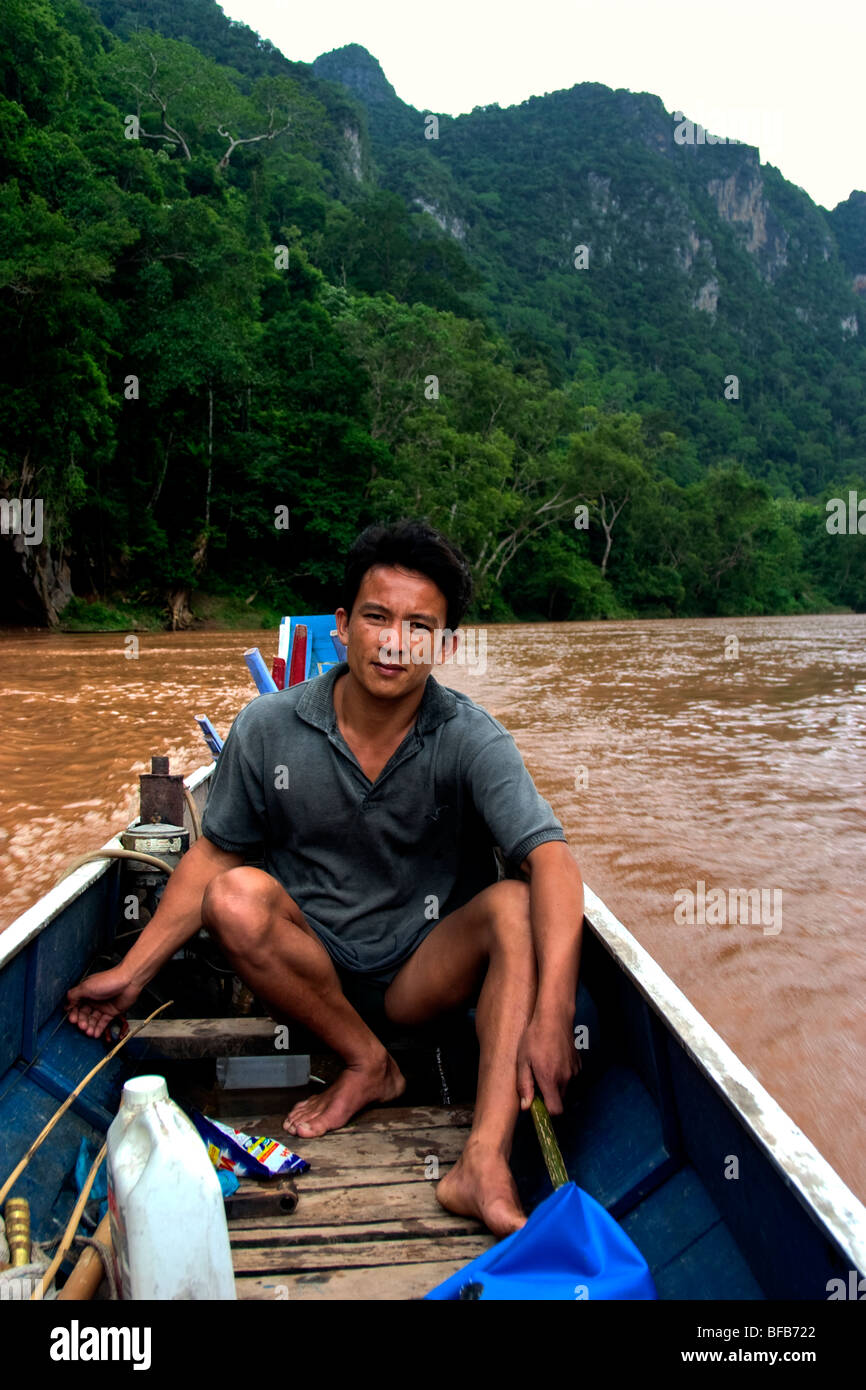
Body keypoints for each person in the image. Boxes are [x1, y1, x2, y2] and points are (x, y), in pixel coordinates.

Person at [67, 519, 585, 1237]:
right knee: (234, 895)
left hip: (420, 979)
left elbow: (552, 858)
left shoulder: (469, 737)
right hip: (312, 977)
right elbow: (212, 855)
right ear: (343, 626)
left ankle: (482, 1162)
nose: (394, 640)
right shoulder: (270, 727)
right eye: (376, 617)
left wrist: (554, 1011)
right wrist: (132, 972)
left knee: (514, 903)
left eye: (419, 625)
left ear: (447, 645)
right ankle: (366, 1062)